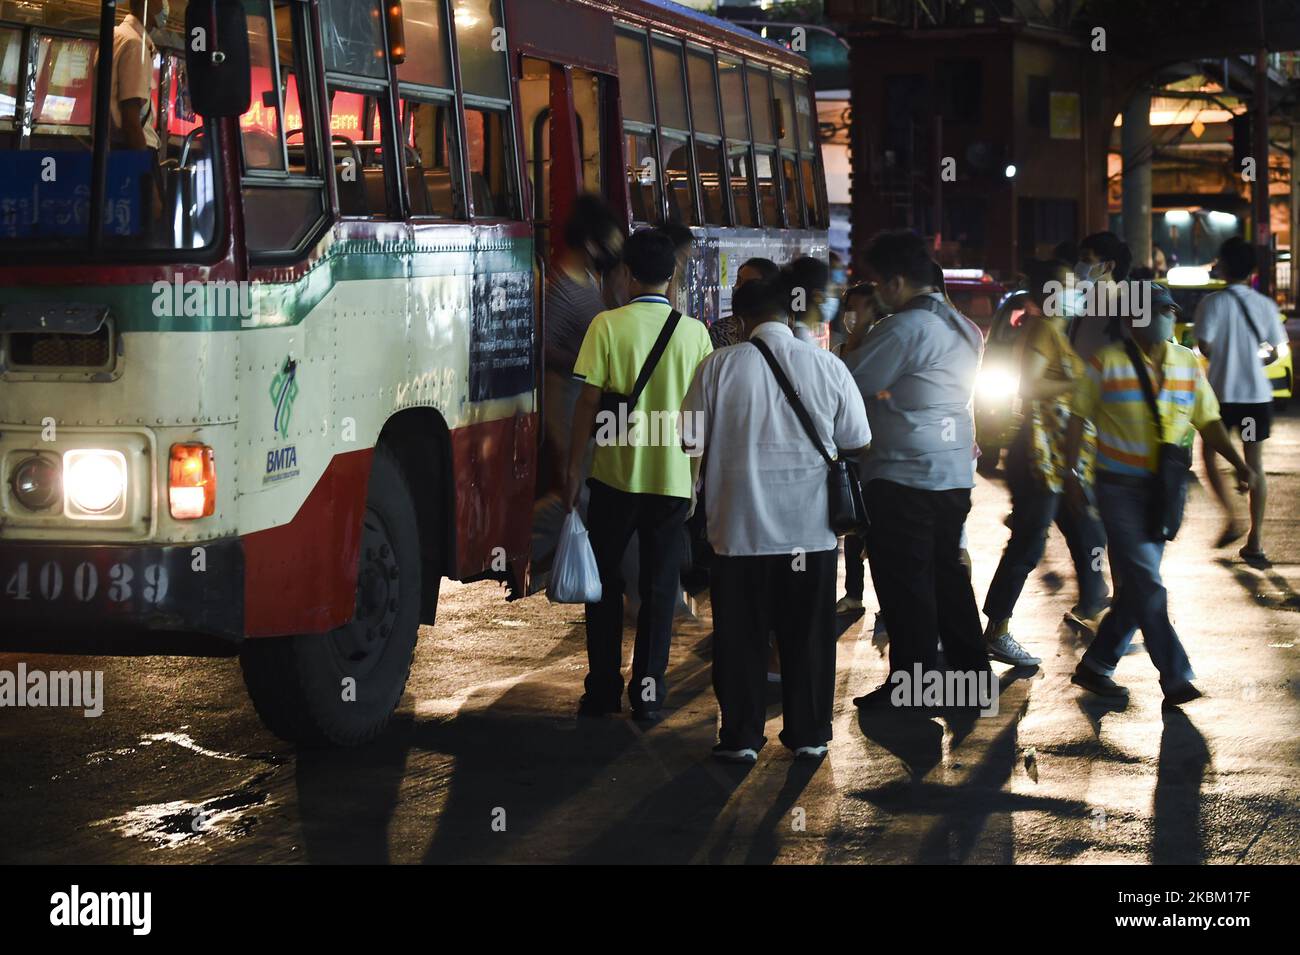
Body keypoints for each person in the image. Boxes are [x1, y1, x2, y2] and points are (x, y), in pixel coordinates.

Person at [683, 277, 870, 762]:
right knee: (807, 635)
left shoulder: (716, 367)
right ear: (790, 316)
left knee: (740, 637)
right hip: (809, 533)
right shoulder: (828, 365)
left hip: (738, 535)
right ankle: (808, 734)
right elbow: (858, 438)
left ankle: (741, 738)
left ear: (740, 321)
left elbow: (688, 440)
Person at [1064, 284, 1258, 705]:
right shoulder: (1106, 362)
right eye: (1156, 310)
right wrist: (1072, 473)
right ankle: (1175, 676)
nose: (1164, 316)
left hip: (1165, 489)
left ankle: (1096, 666)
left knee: (1137, 587)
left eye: (1168, 309)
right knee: (1149, 584)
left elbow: (1208, 422)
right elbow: (1078, 417)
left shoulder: (1188, 362)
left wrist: (1239, 463)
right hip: (1117, 488)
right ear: (1132, 319)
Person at [566, 228, 713, 721]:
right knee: (658, 589)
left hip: (613, 479)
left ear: (626, 274)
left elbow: (589, 403)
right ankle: (648, 693)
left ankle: (603, 690)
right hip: (671, 482)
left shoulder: (606, 326)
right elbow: (697, 416)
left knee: (605, 586)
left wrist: (572, 470)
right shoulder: (694, 333)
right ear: (671, 278)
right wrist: (694, 478)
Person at [841, 230, 992, 709]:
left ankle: (914, 687)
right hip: (951, 473)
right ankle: (972, 679)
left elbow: (849, 382)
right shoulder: (961, 324)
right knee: (947, 576)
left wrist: (858, 331)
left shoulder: (904, 328)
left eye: (878, 284)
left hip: (903, 473)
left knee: (905, 584)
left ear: (896, 281)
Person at [980, 260, 1109, 666]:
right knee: (1029, 542)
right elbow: (1031, 386)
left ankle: (1095, 608)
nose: (1076, 294)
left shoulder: (1055, 330)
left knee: (1086, 531)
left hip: (1056, 456)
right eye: (1068, 288)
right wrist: (1080, 381)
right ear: (1047, 294)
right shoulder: (1040, 329)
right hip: (1038, 456)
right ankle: (997, 629)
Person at [1194, 237, 1286, 564]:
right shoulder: (1265, 305)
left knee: (1207, 454)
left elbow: (1204, 346)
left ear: (1224, 265)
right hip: (1256, 399)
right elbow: (1275, 351)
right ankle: (1256, 541)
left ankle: (1232, 517)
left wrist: (1226, 359)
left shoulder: (1212, 303)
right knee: (1255, 463)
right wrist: (1250, 361)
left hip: (1222, 398)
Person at [543, 194, 624, 492]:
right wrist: (586, 359)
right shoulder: (561, 289)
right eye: (610, 246)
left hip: (583, 402)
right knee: (576, 496)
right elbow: (545, 351)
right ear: (591, 244)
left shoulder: (588, 280)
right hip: (566, 401)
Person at [833, 282, 883, 616]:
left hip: (880, 452)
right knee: (852, 524)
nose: (853, 314)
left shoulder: (884, 349)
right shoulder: (838, 351)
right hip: (850, 452)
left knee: (878, 529)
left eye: (860, 307)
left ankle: (888, 599)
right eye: (849, 306)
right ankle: (854, 593)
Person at [112, 0, 169, 213]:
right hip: (133, 152)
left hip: (116, 152)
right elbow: (131, 122)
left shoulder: (116, 35)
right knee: (147, 233)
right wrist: (149, 185)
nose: (165, 5)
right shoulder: (135, 44)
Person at [1069, 231, 1133, 361]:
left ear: (1108, 266)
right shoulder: (1081, 312)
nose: (1078, 266)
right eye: (1079, 260)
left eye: (1086, 260)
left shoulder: (1132, 313)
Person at [712, 257, 780, 348]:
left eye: (746, 283)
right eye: (737, 280)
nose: (736, 287)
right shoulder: (720, 330)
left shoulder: (783, 329)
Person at [784, 255, 834, 346]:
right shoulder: (810, 348)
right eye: (831, 292)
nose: (834, 299)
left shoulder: (787, 335)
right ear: (818, 296)